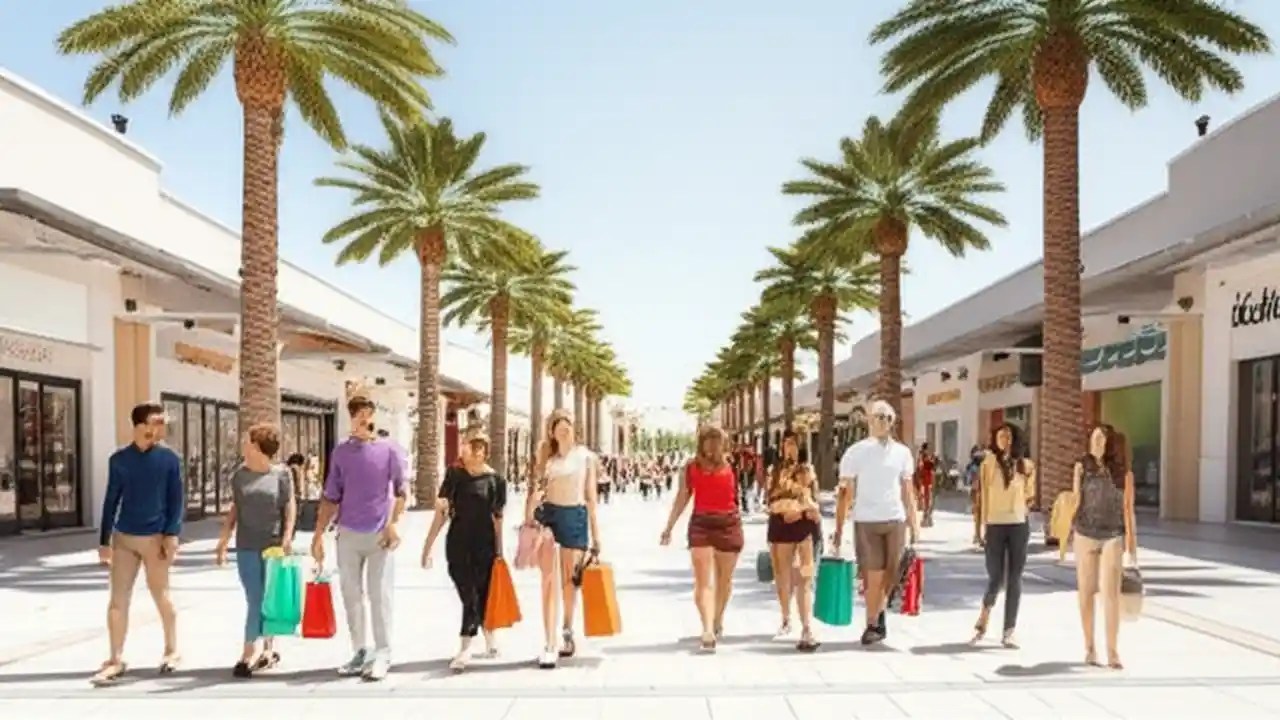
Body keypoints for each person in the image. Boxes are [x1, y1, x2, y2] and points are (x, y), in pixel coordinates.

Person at [310, 396, 407, 681]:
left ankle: (383, 652)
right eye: (359, 414)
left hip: (379, 534)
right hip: (348, 533)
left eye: (369, 413)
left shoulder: (390, 450)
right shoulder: (341, 452)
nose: (365, 419)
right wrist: (317, 536)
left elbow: (402, 491)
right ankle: (359, 651)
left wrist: (392, 524)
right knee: (351, 594)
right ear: (351, 418)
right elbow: (330, 496)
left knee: (379, 595)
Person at [92, 402, 184, 685]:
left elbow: (175, 499)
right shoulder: (119, 460)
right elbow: (111, 500)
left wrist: (172, 534)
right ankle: (115, 658)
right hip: (124, 539)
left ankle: (172, 650)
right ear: (141, 425)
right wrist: (104, 541)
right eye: (157, 421)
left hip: (156, 538)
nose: (161, 426)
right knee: (117, 601)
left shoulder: (169, 459)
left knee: (162, 596)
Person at [834, 399, 919, 646]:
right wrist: (839, 528)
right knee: (873, 575)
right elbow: (845, 493)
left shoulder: (903, 453)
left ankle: (879, 613)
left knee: (892, 574)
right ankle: (872, 624)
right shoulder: (856, 452)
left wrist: (915, 525)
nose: (883, 421)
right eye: (878, 416)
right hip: (866, 521)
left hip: (895, 520)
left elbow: (908, 491)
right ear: (869, 420)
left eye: (887, 417)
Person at [421, 427, 507, 672]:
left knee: (478, 594)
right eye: (470, 445)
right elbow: (441, 513)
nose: (473, 451)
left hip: (485, 545)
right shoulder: (454, 476)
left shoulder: (496, 481)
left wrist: (500, 553)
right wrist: (427, 547)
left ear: (485, 452)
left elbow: (498, 518)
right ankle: (485, 633)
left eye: (478, 447)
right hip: (458, 543)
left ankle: (466, 646)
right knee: (468, 593)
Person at [214, 423, 297, 677]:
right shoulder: (239, 475)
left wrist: (286, 537)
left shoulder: (281, 474)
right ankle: (248, 651)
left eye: (248, 441)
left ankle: (268, 649)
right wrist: (224, 539)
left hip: (272, 546)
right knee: (255, 598)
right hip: (247, 545)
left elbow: (289, 506)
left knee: (268, 599)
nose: (244, 445)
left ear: (259, 447)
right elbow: (235, 508)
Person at [525, 409, 602, 669]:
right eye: (557, 426)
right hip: (550, 515)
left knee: (569, 581)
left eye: (566, 425)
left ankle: (567, 628)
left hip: (575, 516)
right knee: (548, 580)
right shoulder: (546, 457)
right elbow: (535, 490)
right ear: (552, 431)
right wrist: (530, 515)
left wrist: (597, 535)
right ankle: (549, 643)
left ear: (573, 428)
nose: (563, 429)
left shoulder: (586, 457)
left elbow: (591, 497)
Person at [660, 426, 744, 652]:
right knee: (703, 580)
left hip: (729, 523)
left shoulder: (734, 464)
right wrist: (669, 527)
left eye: (717, 440)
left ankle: (717, 619)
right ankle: (707, 627)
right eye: (708, 440)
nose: (713, 444)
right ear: (701, 442)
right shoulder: (691, 467)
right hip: (701, 525)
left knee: (724, 581)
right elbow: (682, 497)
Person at [1073, 424, 1138, 670]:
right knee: (1086, 592)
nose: (1097, 443)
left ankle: (1112, 650)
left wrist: (1132, 545)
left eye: (1101, 439)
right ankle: (1090, 646)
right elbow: (1076, 500)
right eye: (1093, 439)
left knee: (1111, 594)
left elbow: (1128, 509)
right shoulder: (1081, 468)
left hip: (1113, 533)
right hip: (1085, 533)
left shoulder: (1123, 474)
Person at [971, 423, 1035, 649]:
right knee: (995, 577)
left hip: (1018, 525)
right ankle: (985, 614)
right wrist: (979, 529)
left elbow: (1030, 495)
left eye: (1008, 436)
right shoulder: (988, 463)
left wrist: (1024, 507)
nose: (1004, 440)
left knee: (1015, 578)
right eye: (1000, 436)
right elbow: (982, 497)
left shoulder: (1026, 465)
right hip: (995, 525)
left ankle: (1009, 630)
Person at [765, 430, 817, 644]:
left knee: (804, 577)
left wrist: (802, 511)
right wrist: (784, 508)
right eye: (786, 444)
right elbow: (769, 499)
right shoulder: (774, 471)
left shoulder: (808, 471)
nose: (790, 448)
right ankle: (786, 617)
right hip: (780, 524)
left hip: (803, 524)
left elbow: (815, 502)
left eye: (794, 444)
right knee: (782, 575)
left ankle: (807, 627)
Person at [964, 445, 985, 547]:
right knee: (979, 515)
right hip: (978, 492)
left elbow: (968, 481)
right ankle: (978, 535)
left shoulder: (973, 466)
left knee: (978, 516)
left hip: (978, 492)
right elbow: (969, 480)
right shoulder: (975, 466)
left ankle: (978, 535)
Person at [916, 443, 936, 527]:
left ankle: (927, 519)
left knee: (927, 501)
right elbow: (924, 467)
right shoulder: (923, 457)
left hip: (927, 481)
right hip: (925, 482)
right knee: (926, 501)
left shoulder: (923, 457)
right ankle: (925, 520)